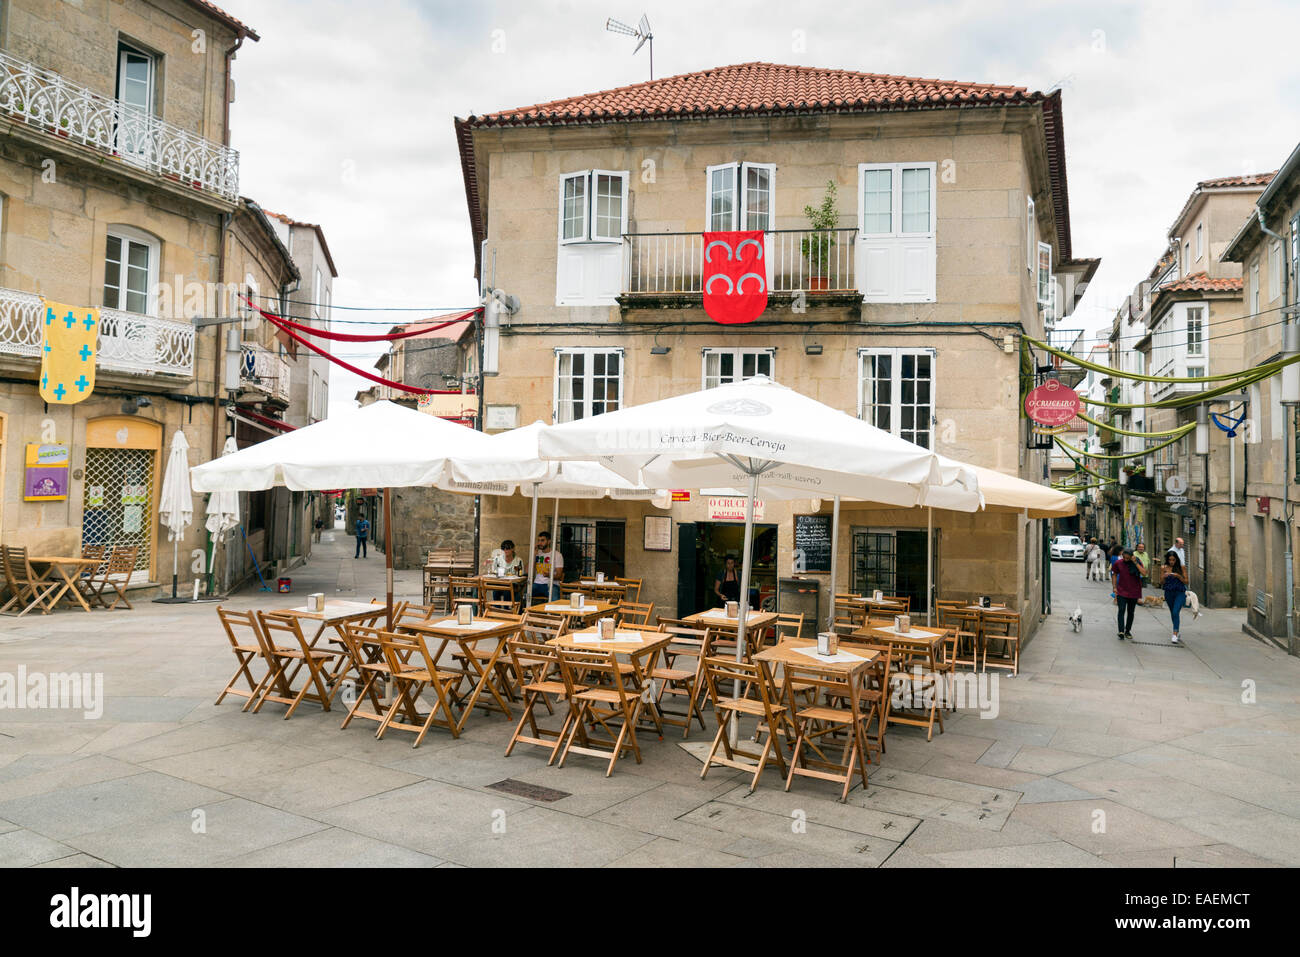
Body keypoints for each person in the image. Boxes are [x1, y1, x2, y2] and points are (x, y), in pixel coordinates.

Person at [1110, 546, 1143, 641]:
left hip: (1134, 591)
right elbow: (1114, 574)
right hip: (1122, 590)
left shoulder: (1137, 562)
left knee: (1131, 612)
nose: (1125, 559)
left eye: (1128, 557)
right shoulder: (1118, 563)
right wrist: (1114, 587)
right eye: (1124, 557)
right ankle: (1121, 631)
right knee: (1121, 609)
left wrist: (1135, 563)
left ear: (1132, 556)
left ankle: (1127, 630)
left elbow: (1144, 573)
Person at [1160, 552, 1189, 644]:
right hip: (1169, 592)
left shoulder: (1182, 568)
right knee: (1173, 613)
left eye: (1173, 560)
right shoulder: (1163, 568)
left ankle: (1175, 634)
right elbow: (1161, 582)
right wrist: (1164, 576)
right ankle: (1177, 631)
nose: (1171, 562)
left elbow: (1186, 581)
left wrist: (1178, 576)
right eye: (1170, 560)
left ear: (1176, 560)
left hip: (1179, 592)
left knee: (1176, 611)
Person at [531, 531, 563, 601]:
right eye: (538, 540)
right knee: (522, 595)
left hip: (551, 584)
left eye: (542, 540)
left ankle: (553, 612)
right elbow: (528, 571)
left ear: (549, 541)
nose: (540, 543)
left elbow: (559, 575)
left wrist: (549, 575)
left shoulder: (557, 555)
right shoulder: (537, 553)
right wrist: (533, 555)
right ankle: (522, 611)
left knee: (554, 599)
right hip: (537, 584)